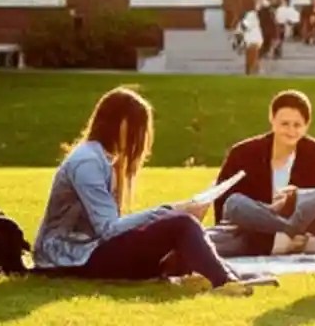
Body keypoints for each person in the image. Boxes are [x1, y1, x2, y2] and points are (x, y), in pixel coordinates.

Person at [32, 87, 260, 295]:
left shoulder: (104, 159)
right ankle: (224, 281)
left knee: (182, 228)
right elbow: (108, 229)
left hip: (90, 251)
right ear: (120, 124)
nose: (140, 138)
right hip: (70, 258)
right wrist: (168, 211)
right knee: (181, 224)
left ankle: (227, 276)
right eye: (137, 128)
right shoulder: (87, 162)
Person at [208, 90, 315, 257]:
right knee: (234, 203)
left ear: (306, 126)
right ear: (272, 120)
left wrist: (293, 198)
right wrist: (269, 212)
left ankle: (284, 239)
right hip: (249, 226)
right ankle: (289, 234)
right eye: (284, 124)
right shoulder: (242, 153)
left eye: (297, 125)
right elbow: (223, 207)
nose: (291, 131)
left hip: (296, 216)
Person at [235, 0, 263, 76]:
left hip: (253, 41)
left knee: (251, 62)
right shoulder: (248, 16)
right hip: (250, 41)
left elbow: (244, 27)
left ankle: (252, 73)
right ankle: (253, 73)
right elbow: (239, 32)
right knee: (251, 62)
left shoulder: (251, 15)